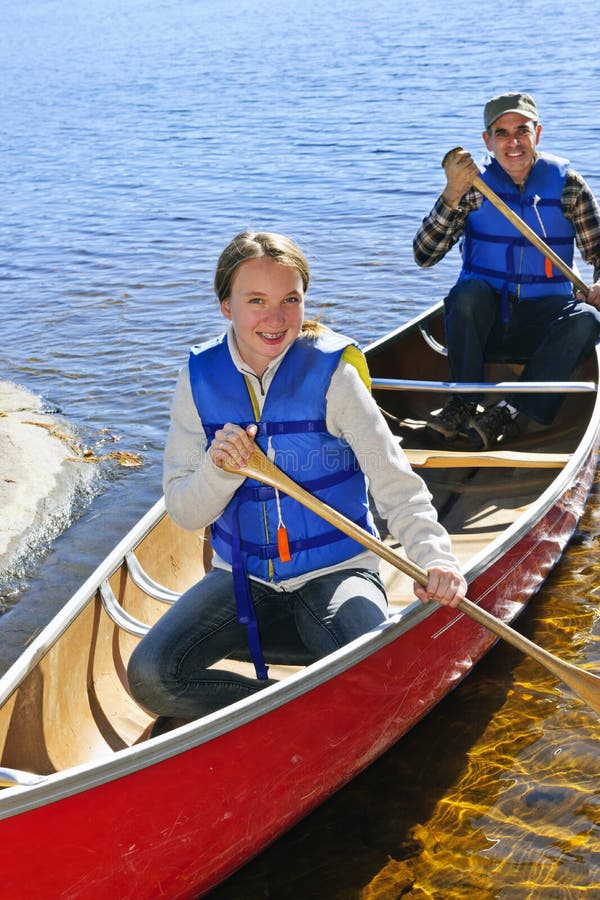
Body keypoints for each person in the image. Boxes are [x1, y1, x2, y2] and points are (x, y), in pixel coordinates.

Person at [127, 230, 467, 727]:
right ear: (226, 306)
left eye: (290, 300)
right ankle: (289, 711)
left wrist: (434, 558)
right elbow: (184, 510)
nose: (276, 318)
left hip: (336, 572)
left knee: (382, 670)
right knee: (153, 676)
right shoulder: (198, 378)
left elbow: (394, 481)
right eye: (256, 301)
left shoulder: (333, 375)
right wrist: (218, 472)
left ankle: (304, 703)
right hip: (242, 581)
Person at [414, 91, 600, 450]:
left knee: (589, 317)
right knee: (466, 294)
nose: (513, 142)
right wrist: (451, 194)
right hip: (486, 329)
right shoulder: (471, 187)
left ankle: (510, 411)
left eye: (522, 131)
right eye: (502, 133)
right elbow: (424, 255)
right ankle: (464, 400)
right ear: (488, 140)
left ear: (538, 134)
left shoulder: (569, 185)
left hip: (545, 322)